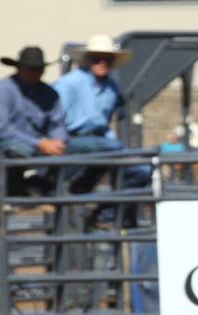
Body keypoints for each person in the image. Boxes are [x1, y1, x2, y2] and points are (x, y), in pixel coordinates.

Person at [53, 35, 152, 221]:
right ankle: (80, 191)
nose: (102, 62)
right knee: (111, 149)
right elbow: (53, 118)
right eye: (96, 58)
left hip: (99, 142)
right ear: (87, 59)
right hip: (71, 139)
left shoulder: (111, 87)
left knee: (142, 170)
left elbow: (103, 123)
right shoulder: (69, 84)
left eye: (107, 59)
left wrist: (116, 145)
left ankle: (105, 215)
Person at [0, 46, 67, 195]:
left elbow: (57, 123)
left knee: (86, 148)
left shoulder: (49, 93)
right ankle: (18, 188)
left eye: (38, 69)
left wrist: (58, 141)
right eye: (30, 68)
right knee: (18, 149)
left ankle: (48, 185)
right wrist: (40, 143)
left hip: (39, 144)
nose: (34, 73)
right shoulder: (1, 90)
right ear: (19, 68)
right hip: (0, 145)